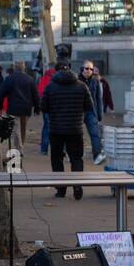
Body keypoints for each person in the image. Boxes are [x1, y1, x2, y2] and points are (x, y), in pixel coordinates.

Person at [40, 60, 92, 199]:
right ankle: (77, 185)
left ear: (56, 71)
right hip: (75, 129)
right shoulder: (81, 86)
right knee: (76, 158)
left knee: (57, 159)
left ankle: (61, 189)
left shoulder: (50, 87)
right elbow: (89, 106)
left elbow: (43, 107)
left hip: (56, 129)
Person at [0, 61, 39, 148]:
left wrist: (0, 105)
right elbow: (35, 95)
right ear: (24, 68)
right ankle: (22, 144)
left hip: (13, 107)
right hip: (26, 107)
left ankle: (19, 146)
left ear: (15, 68)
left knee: (16, 127)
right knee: (23, 127)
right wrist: (37, 108)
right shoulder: (30, 79)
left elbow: (1, 93)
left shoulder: (10, 79)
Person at [80, 60, 112, 165]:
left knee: (95, 134)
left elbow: (99, 99)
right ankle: (75, 154)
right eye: (86, 68)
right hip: (78, 112)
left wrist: (99, 114)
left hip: (91, 112)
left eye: (91, 69)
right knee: (77, 134)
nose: (89, 70)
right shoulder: (76, 80)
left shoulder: (95, 81)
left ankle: (97, 155)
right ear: (82, 69)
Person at [36, 64, 58, 154]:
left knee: (46, 127)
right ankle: (59, 149)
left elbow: (40, 91)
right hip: (57, 106)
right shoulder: (61, 76)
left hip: (47, 106)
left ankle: (44, 149)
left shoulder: (46, 75)